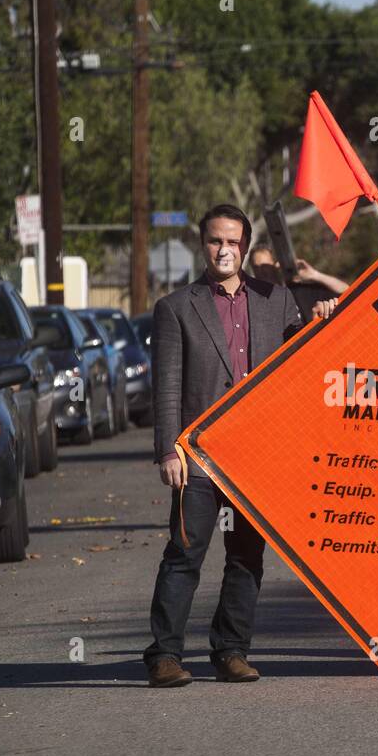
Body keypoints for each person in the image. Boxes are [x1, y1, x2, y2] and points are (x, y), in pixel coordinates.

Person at [145, 204, 335, 688]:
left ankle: (231, 651)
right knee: (185, 554)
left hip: (258, 458)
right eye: (215, 241)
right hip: (199, 457)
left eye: (232, 242)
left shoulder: (276, 299)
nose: (224, 249)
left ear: (245, 247)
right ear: (203, 245)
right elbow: (166, 386)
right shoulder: (175, 307)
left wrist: (320, 320)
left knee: (247, 558)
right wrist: (169, 450)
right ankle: (165, 655)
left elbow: (304, 363)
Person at [247, 244, 348, 322]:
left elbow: (345, 290)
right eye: (257, 267)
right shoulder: (255, 305)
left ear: (276, 265)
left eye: (265, 266)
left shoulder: (299, 290)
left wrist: (314, 275)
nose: (262, 271)